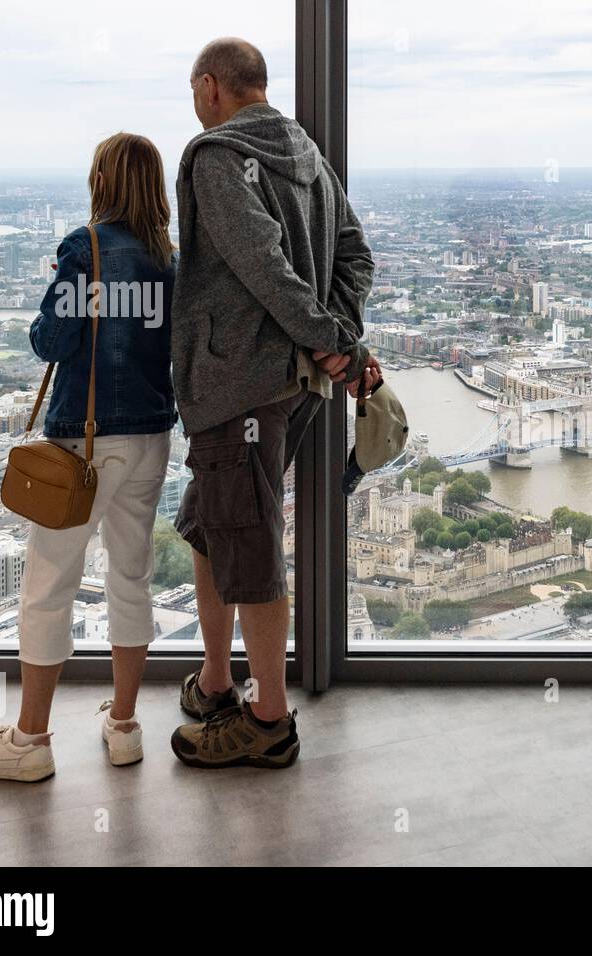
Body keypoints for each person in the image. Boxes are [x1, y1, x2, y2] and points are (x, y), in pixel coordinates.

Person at [169, 37, 377, 769]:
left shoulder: (218, 158)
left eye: (195, 94)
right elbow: (356, 255)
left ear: (210, 87)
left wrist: (330, 340)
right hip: (289, 386)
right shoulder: (310, 157)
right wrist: (331, 338)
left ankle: (267, 721)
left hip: (241, 388)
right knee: (207, 524)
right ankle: (217, 679)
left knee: (249, 544)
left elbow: (263, 267)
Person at [0, 133, 179, 781]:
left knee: (48, 588)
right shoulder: (170, 258)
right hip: (152, 437)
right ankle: (125, 727)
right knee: (131, 580)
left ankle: (29, 743)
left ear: (102, 180)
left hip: (84, 442)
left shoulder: (84, 249)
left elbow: (49, 339)